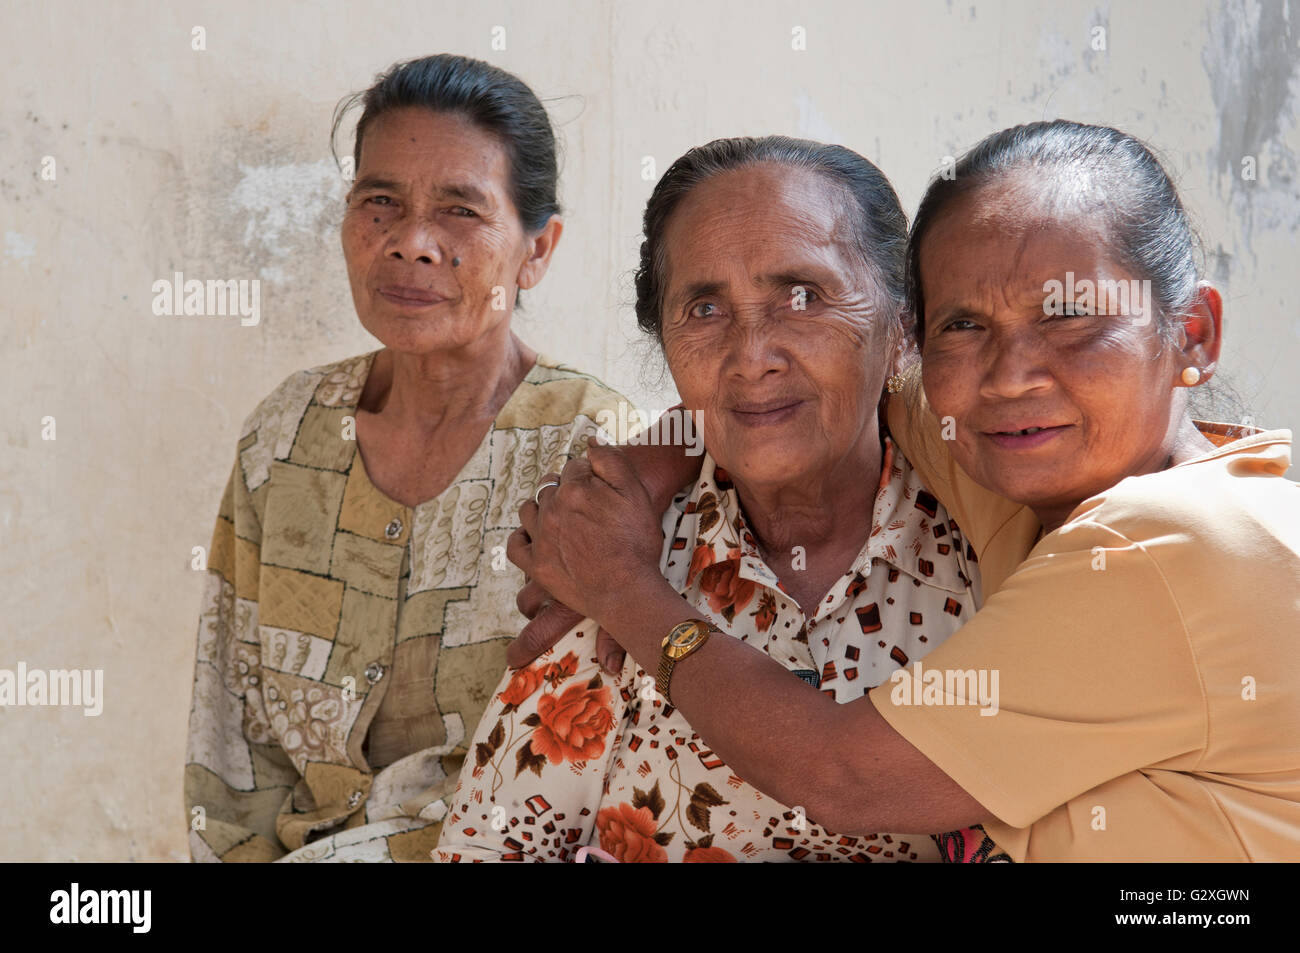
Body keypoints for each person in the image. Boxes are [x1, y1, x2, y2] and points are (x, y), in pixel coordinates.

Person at [504, 120, 1300, 861]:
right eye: (964, 324)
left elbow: (840, 774)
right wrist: (629, 483)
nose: (1011, 375)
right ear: (918, 340)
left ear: (1191, 332)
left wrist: (620, 586)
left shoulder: (1163, 540)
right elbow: (770, 391)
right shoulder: (1020, 466)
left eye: (1069, 315)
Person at [434, 136, 1004, 863]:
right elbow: (493, 845)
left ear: (901, 331)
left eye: (803, 298)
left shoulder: (993, 549)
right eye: (705, 308)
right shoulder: (611, 545)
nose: (751, 353)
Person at [183, 54, 626, 862]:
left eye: (460, 210)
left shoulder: (595, 451)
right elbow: (229, 744)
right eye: (380, 201)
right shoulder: (284, 437)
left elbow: (583, 772)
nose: (411, 244)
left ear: (538, 249)